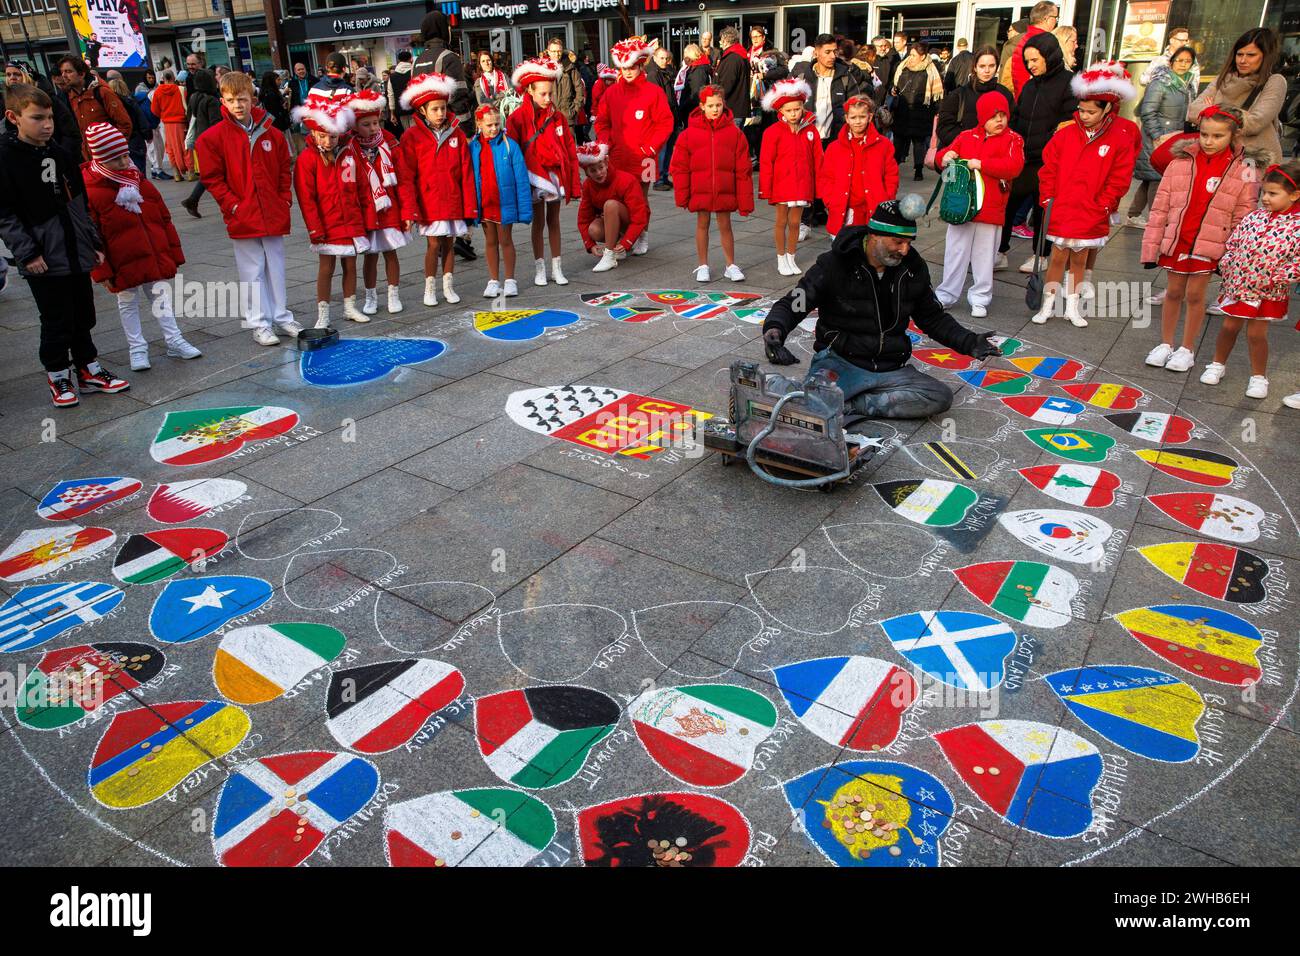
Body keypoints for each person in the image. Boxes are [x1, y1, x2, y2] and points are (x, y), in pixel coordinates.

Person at [762, 197, 1000, 420]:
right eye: (898, 242)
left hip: (890, 367)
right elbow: (795, 302)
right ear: (875, 235)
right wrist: (775, 329)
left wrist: (969, 342)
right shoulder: (835, 264)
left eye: (908, 243)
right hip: (840, 362)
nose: (905, 250)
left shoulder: (912, 268)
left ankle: (851, 405)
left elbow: (932, 318)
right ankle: (792, 389)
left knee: (939, 397)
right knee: (815, 406)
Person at [0, 84, 130, 407]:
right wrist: (27, 252)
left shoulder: (59, 152)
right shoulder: (5, 157)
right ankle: (58, 373)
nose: (47, 124)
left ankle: (88, 368)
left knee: (83, 312)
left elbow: (80, 202)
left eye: (50, 118)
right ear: (13, 118)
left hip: (73, 247)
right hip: (41, 254)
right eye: (37, 118)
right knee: (55, 317)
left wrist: (92, 241)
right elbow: (5, 214)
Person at [1140, 106, 1267, 372]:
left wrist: (1232, 255)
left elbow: (1245, 216)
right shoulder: (1180, 162)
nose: (1209, 141)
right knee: (1173, 292)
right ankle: (1165, 344)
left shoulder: (1246, 168)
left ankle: (1186, 348)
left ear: (1234, 135)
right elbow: (1160, 208)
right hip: (1177, 240)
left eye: (1218, 136)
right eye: (1204, 134)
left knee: (1196, 295)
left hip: (1210, 245)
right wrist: (1151, 247)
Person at [80, 122, 201, 371]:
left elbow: (162, 218)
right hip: (120, 261)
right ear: (101, 159)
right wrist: (102, 271)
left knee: (160, 297)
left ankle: (174, 339)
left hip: (150, 254)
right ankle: (137, 347)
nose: (125, 162)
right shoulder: (91, 191)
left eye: (125, 154)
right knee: (127, 303)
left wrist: (173, 252)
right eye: (117, 159)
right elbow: (89, 235)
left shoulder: (137, 179)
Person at [197, 70, 299, 346]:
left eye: (241, 99)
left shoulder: (272, 133)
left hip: (271, 208)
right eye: (230, 100)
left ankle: (281, 315)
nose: (237, 105)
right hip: (243, 211)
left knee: (275, 265)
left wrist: (283, 198)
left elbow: (282, 168)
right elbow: (212, 178)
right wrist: (232, 205)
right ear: (223, 101)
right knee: (251, 269)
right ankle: (259, 322)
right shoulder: (212, 138)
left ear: (252, 98)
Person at [1032, 64, 1137, 327]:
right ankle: (1047, 305)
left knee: (1079, 261)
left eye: (1092, 111)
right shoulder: (1065, 134)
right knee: (1056, 258)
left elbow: (1120, 177)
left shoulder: (1119, 139)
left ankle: (1073, 307)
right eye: (1081, 110)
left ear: (1107, 109)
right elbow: (1049, 168)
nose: (1085, 115)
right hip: (1063, 206)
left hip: (1091, 210)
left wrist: (1105, 204)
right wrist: (1047, 198)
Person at [1201, 160, 1300, 400]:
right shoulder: (1254, 217)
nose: (1265, 198)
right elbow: (1234, 242)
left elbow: (1297, 261)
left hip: (1267, 292)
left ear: (1295, 194)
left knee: (1257, 334)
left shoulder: (1297, 225)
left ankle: (1258, 376)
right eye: (1264, 192)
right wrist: (1227, 263)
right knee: (1229, 326)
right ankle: (1217, 364)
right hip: (1237, 285)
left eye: (1273, 193)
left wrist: (1276, 277)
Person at [935, 93, 1025, 318]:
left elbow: (1013, 167)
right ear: (982, 117)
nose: (1000, 121)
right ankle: (946, 294)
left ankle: (980, 298)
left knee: (985, 256)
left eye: (1003, 115)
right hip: (961, 207)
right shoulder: (965, 136)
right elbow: (942, 157)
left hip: (991, 207)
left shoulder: (1014, 139)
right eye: (994, 116)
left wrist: (983, 165)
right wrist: (945, 157)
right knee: (955, 252)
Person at [397, 71, 477, 306]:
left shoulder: (457, 133)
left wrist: (470, 206)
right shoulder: (411, 137)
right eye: (435, 109)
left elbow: (466, 172)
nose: (441, 113)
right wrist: (409, 210)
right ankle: (429, 286)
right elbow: (406, 176)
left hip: (452, 198)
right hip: (429, 200)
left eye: (443, 108)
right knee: (434, 244)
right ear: (422, 110)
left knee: (449, 243)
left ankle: (448, 285)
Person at [1000, 33, 1076, 272]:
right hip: (1024, 157)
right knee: (1008, 205)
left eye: (1035, 59)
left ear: (1049, 56)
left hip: (1049, 160)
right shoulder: (1030, 85)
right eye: (1028, 61)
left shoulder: (1069, 83)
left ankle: (1040, 255)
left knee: (1044, 210)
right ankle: (1000, 251)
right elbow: (1018, 116)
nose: (1031, 65)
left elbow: (1070, 122)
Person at [292, 94, 369, 328]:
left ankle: (349, 306)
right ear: (313, 134)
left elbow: (362, 187)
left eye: (333, 136)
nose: (328, 141)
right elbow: (306, 198)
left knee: (350, 265)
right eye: (323, 136)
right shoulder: (307, 159)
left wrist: (366, 219)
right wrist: (315, 227)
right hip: (326, 223)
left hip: (351, 220)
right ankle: (323, 314)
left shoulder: (349, 153)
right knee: (326, 268)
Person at [593, 37, 673, 255]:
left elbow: (665, 122)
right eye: (623, 67)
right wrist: (606, 143)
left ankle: (642, 235)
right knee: (618, 198)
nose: (627, 72)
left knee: (641, 199)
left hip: (645, 158)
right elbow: (601, 122)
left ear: (640, 65)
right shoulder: (611, 93)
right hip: (617, 157)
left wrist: (651, 148)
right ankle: (624, 235)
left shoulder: (653, 92)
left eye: (632, 67)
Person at [505, 57, 579, 288]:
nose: (548, 99)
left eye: (550, 93)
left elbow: (569, 149)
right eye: (543, 94)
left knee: (554, 221)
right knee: (538, 223)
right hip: (532, 177)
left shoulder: (557, 117)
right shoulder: (516, 118)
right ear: (529, 90)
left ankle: (557, 267)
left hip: (555, 176)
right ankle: (540, 268)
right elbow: (512, 156)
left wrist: (575, 184)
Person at [670, 84, 752, 282]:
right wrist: (682, 196)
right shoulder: (688, 135)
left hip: (725, 189)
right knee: (702, 224)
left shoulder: (735, 134)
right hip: (701, 188)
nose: (715, 109)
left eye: (719, 105)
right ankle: (702, 265)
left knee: (726, 225)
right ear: (701, 106)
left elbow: (744, 170)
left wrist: (745, 201)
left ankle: (731, 265)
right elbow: (679, 167)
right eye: (710, 105)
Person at [347, 89, 407, 315]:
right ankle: (370, 295)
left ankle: (393, 293)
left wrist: (408, 211)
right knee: (370, 256)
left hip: (389, 207)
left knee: (391, 252)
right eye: (366, 124)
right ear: (354, 126)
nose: (373, 128)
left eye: (375, 123)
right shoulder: (350, 147)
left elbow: (403, 178)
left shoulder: (389, 142)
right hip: (366, 209)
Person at [1188, 28, 1286, 164]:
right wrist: (1239, 115)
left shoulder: (1275, 81)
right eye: (1239, 54)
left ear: (1265, 56)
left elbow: (1254, 123)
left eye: (1251, 55)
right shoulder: (1222, 79)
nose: (1243, 60)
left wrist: (1212, 110)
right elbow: (1193, 111)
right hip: (1217, 156)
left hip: (1253, 160)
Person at [759, 77, 820, 276]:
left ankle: (791, 256)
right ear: (780, 111)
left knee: (796, 222)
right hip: (781, 183)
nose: (794, 113)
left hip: (802, 182)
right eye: (789, 110)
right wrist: (765, 188)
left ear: (803, 107)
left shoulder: (811, 130)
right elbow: (766, 162)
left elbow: (818, 159)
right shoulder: (772, 132)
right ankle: (780, 257)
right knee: (781, 221)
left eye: (797, 108)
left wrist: (819, 185)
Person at [469, 103, 531, 298]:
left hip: (505, 204)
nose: (494, 128)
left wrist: (525, 209)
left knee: (506, 240)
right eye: (489, 125)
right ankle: (493, 280)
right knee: (490, 242)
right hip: (485, 203)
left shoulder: (509, 145)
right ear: (479, 123)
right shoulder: (473, 146)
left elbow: (521, 179)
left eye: (497, 123)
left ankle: (510, 279)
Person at [1130, 46, 1196, 225]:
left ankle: (1133, 213)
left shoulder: (1189, 84)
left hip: (1176, 136)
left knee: (1151, 177)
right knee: (1157, 177)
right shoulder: (1160, 82)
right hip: (1158, 136)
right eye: (1179, 60)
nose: (1183, 65)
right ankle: (1156, 219)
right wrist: (1157, 135)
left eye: (1187, 61)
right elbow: (1148, 111)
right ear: (1171, 61)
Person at [817, 95, 898, 239]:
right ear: (847, 118)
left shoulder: (884, 145)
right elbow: (826, 177)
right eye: (853, 117)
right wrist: (830, 200)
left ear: (870, 117)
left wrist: (887, 198)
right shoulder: (834, 148)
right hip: (844, 209)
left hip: (874, 207)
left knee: (872, 254)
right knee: (843, 252)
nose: (858, 121)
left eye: (862, 117)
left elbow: (891, 176)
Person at [576, 141, 649, 272]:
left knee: (610, 205)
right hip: (611, 222)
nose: (598, 173)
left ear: (607, 164)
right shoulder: (588, 185)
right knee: (593, 230)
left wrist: (627, 241)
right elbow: (583, 219)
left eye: (601, 168)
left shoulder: (626, 180)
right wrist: (590, 244)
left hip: (631, 223)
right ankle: (615, 244)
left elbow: (640, 216)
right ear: (586, 173)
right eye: (593, 171)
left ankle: (609, 255)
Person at [936, 46, 1012, 152]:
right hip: (964, 156)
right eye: (982, 66)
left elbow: (1012, 125)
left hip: (994, 157)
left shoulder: (1004, 94)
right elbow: (944, 128)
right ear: (975, 67)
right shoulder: (959, 95)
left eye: (991, 66)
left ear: (997, 67)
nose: (987, 70)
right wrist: (969, 143)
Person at [890, 41, 944, 182]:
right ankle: (892, 169)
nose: (911, 57)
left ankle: (918, 170)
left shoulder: (931, 70)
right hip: (902, 110)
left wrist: (938, 111)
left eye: (914, 55)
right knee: (898, 141)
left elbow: (936, 94)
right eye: (910, 54)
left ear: (922, 56)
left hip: (921, 112)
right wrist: (893, 89)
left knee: (918, 143)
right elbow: (895, 84)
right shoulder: (903, 67)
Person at [58, 56, 131, 158]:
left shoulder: (102, 92)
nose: (64, 75)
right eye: (62, 72)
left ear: (82, 74)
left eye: (69, 71)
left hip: (111, 156)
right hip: (91, 158)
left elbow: (125, 125)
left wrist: (115, 152)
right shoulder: (72, 96)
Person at [180, 68, 221, 217]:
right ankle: (193, 199)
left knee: (210, 171)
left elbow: (190, 116)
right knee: (215, 172)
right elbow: (216, 123)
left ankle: (193, 199)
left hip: (200, 139)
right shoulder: (211, 100)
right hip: (212, 140)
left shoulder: (194, 97)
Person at [1003, 1, 1058, 99]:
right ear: (1047, 19)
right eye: (1056, 18)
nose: (1056, 22)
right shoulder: (1042, 41)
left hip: (1024, 100)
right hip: (1034, 102)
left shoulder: (1026, 39)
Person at [646, 45, 678, 191]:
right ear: (655, 58)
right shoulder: (653, 73)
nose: (665, 60)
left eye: (666, 58)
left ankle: (663, 176)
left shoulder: (665, 71)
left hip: (670, 114)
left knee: (668, 149)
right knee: (662, 149)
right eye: (662, 58)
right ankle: (659, 179)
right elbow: (657, 98)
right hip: (660, 118)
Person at [107, 76, 149, 176]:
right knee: (140, 173)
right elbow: (141, 120)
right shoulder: (132, 102)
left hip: (119, 142)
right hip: (136, 140)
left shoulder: (110, 106)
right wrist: (147, 135)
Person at [151, 70, 187, 181]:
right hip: (181, 122)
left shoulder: (157, 92)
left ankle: (176, 173)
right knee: (185, 147)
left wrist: (163, 114)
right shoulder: (180, 89)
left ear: (163, 78)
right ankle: (190, 172)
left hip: (166, 123)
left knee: (170, 148)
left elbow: (154, 110)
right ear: (173, 77)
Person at [548, 36, 586, 136]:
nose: (557, 54)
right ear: (548, 51)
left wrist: (574, 111)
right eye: (554, 51)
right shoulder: (543, 68)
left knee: (569, 149)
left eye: (559, 51)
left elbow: (579, 90)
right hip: (548, 118)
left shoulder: (570, 67)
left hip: (567, 117)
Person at [133, 72, 168, 179]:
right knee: (154, 148)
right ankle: (157, 170)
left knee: (158, 147)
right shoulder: (142, 90)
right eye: (149, 78)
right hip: (149, 122)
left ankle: (155, 169)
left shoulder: (156, 89)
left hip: (153, 122)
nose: (151, 79)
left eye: (152, 77)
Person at [715, 27, 751, 130]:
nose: (720, 42)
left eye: (721, 39)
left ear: (726, 40)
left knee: (730, 144)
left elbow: (726, 85)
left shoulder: (732, 58)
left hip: (732, 110)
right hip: (737, 109)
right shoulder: (739, 55)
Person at [679, 44, 713, 123]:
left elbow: (696, 93)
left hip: (693, 110)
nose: (684, 59)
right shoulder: (697, 67)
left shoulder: (698, 70)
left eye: (686, 56)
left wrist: (684, 105)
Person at [259, 70, 291, 136]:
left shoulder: (265, 93)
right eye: (278, 80)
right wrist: (284, 107)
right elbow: (275, 111)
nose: (280, 82)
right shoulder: (271, 94)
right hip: (278, 125)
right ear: (272, 81)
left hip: (272, 124)